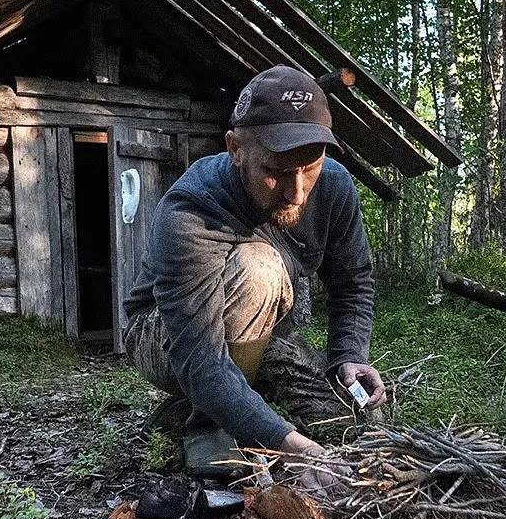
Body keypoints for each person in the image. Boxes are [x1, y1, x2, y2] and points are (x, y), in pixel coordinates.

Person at [122, 65, 387, 487]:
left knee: (357, 420)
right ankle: (206, 421)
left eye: (310, 167)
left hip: (263, 335)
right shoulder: (191, 211)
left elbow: (353, 282)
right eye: (277, 171)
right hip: (169, 337)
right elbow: (200, 357)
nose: (297, 192)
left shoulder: (334, 188)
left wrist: (348, 355)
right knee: (258, 267)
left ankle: (222, 403)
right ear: (236, 148)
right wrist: (295, 448)